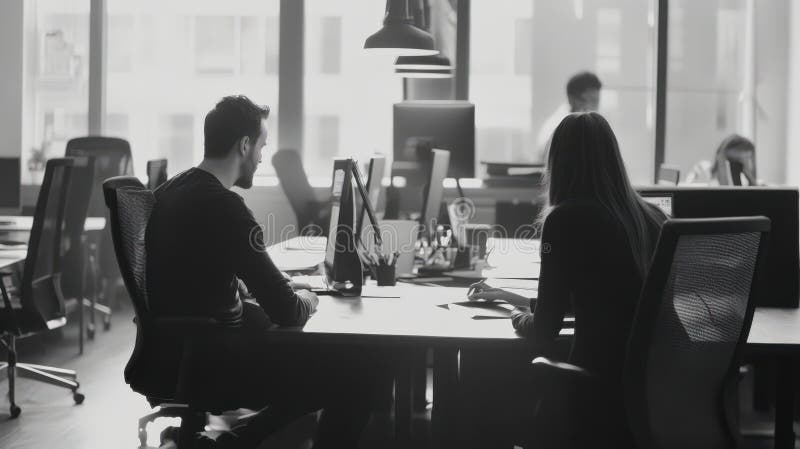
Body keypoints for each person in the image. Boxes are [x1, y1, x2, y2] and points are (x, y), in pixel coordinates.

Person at [146, 95, 386, 449]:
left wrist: (262, 286)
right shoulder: (225, 207)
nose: (261, 158)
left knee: (345, 366)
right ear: (244, 145)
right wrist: (307, 295)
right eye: (261, 147)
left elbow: (199, 275)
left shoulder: (170, 191)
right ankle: (236, 441)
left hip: (179, 354)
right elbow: (287, 311)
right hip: (219, 361)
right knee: (359, 374)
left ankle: (235, 441)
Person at [465, 112, 667, 448]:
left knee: (477, 375)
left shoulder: (565, 219)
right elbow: (608, 297)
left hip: (593, 388)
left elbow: (545, 329)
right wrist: (508, 295)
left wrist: (519, 318)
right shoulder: (651, 216)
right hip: (651, 393)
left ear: (558, 163)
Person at [534, 71, 602, 162]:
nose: (592, 107)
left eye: (596, 101)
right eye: (589, 100)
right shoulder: (559, 126)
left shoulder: (582, 123)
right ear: (572, 99)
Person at [686, 134, 757, 185]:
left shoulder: (739, 172)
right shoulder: (702, 168)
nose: (747, 161)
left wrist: (748, 175)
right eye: (746, 157)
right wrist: (722, 161)